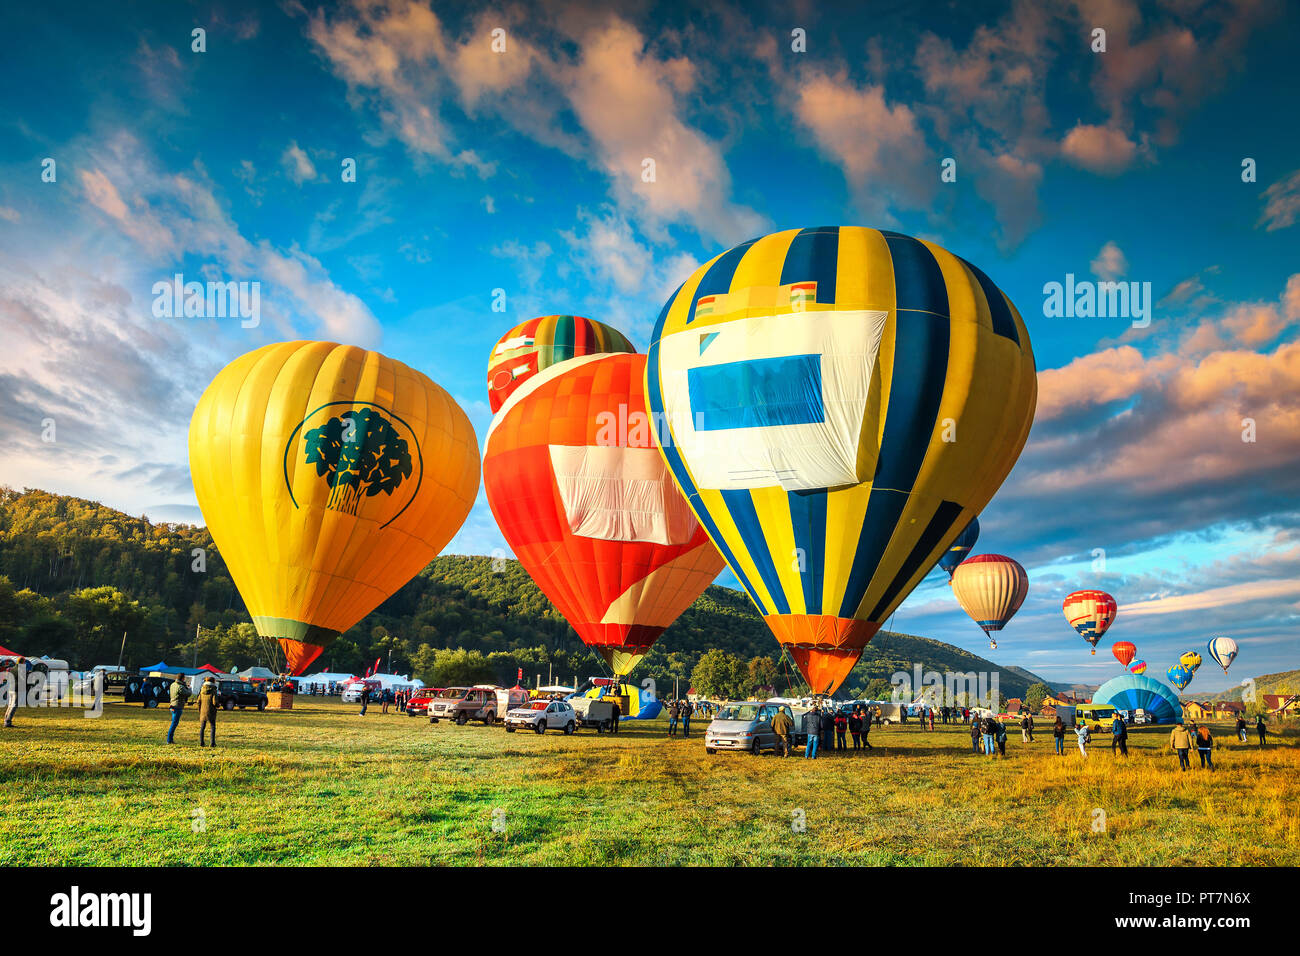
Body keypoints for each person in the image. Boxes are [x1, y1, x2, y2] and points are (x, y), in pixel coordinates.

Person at [3, 657, 30, 728]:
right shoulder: (21, 669)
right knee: (14, 705)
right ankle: (7, 722)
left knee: (10, 705)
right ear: (23, 662)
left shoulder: (12, 668)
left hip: (11, 688)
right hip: (17, 688)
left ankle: (6, 719)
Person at [166, 673, 190, 744]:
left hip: (172, 705)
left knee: (174, 723)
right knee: (174, 724)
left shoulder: (173, 684)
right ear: (182, 678)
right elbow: (188, 693)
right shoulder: (180, 686)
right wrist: (189, 688)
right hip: (177, 706)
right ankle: (169, 740)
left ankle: (170, 739)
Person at [197, 676, 218, 747]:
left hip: (203, 710)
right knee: (212, 726)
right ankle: (212, 743)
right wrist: (218, 705)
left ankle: (201, 742)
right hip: (211, 711)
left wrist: (200, 709)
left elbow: (198, 701)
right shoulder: (214, 690)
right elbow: (215, 702)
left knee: (202, 727)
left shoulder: (202, 690)